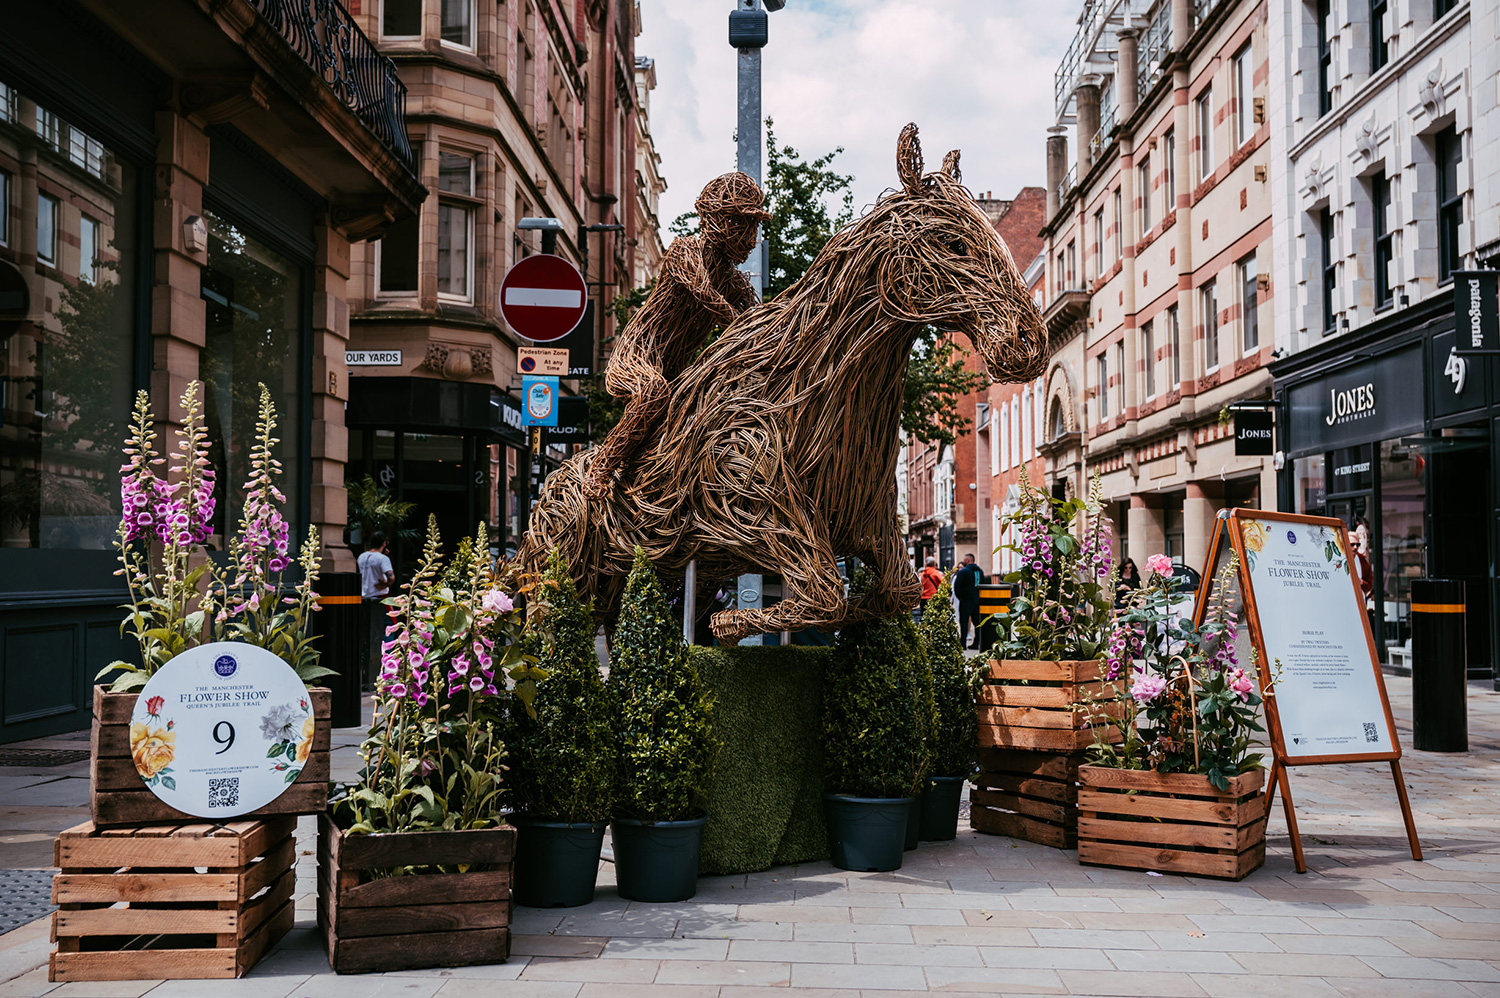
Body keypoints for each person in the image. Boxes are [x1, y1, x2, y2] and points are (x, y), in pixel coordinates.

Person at [583, 172, 771, 499]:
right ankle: (603, 463)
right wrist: (743, 329)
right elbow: (706, 295)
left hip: (675, 373)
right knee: (653, 394)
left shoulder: (734, 280)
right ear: (714, 219)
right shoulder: (685, 251)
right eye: (741, 225)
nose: (750, 238)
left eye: (754, 228)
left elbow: (759, 319)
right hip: (637, 356)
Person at [357, 532, 394, 685]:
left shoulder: (362, 557)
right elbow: (391, 577)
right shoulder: (383, 559)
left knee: (366, 633)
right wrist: (385, 584)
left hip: (363, 599)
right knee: (388, 630)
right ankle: (387, 665)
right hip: (380, 599)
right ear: (384, 543)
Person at [952, 553, 983, 648]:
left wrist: (960, 597)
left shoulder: (963, 572)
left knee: (964, 622)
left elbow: (957, 586)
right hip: (978, 599)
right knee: (977, 622)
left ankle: (963, 643)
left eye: (965, 560)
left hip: (966, 600)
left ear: (968, 560)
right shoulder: (980, 571)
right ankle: (977, 642)